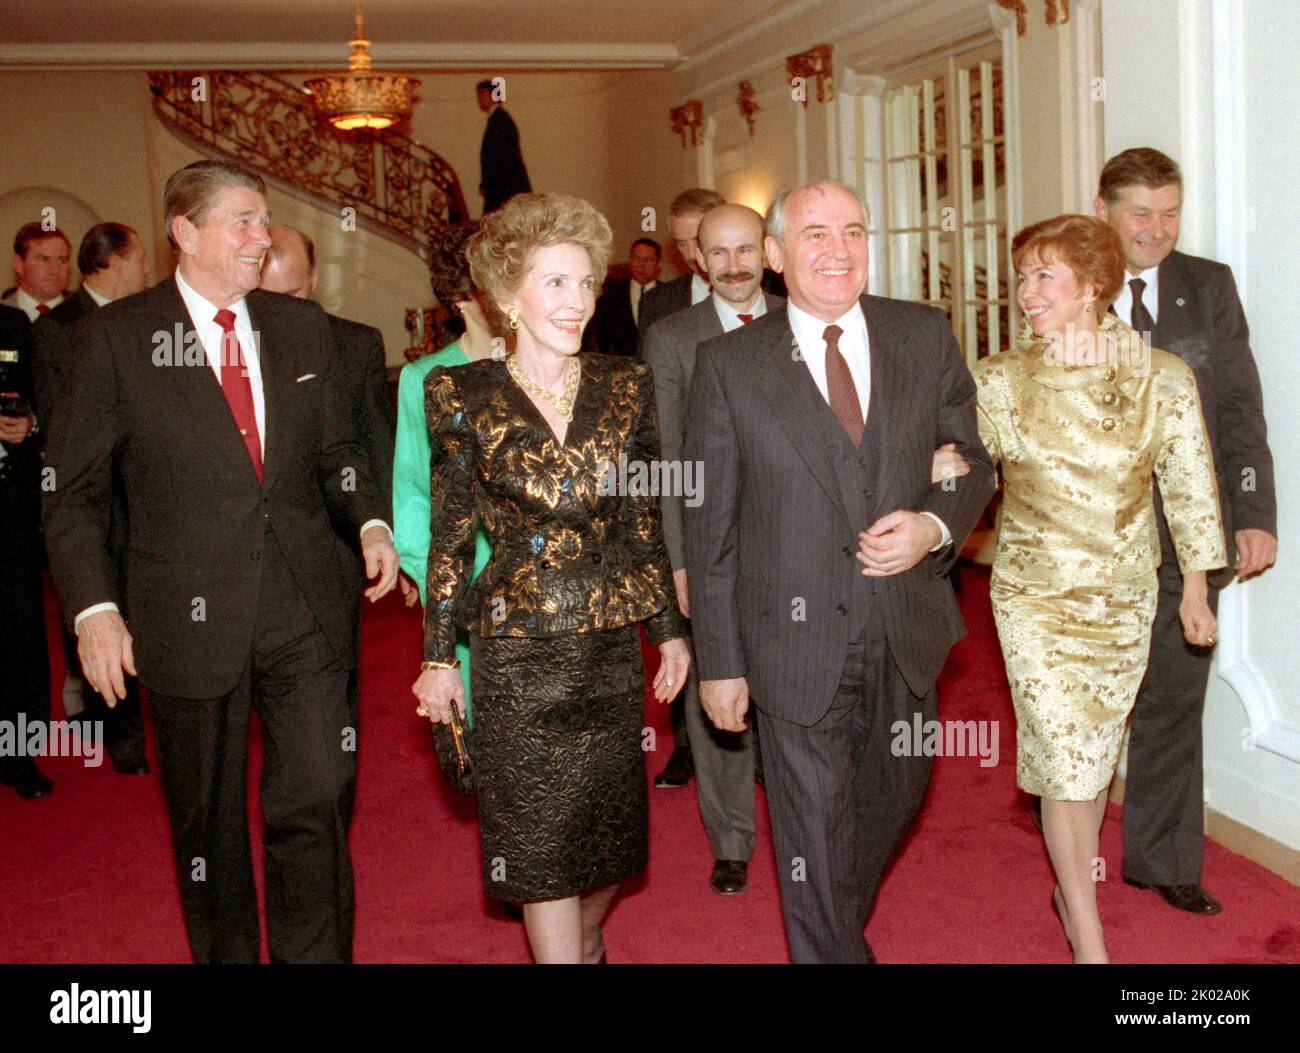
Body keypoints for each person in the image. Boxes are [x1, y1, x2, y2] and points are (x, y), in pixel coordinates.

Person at [41, 160, 399, 964]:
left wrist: (370, 519)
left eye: (262, 221)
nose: (260, 236)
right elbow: (72, 493)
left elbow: (340, 451)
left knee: (317, 794)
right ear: (184, 231)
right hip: (185, 614)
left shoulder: (301, 328)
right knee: (207, 822)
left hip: (305, 604)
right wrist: (94, 610)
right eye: (241, 220)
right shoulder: (114, 338)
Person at [685, 179, 995, 963]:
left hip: (905, 628)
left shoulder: (922, 334)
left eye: (853, 230)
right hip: (787, 642)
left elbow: (974, 462)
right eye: (816, 233)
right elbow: (709, 525)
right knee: (813, 824)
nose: (838, 249)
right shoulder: (726, 365)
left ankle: (831, 922)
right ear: (778, 255)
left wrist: (931, 523)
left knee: (895, 794)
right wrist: (719, 661)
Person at [411, 192, 690, 964]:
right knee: (535, 852)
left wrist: (667, 629)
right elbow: (450, 534)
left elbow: (641, 520)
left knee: (608, 850)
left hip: (606, 653)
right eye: (555, 283)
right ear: (507, 298)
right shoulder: (458, 394)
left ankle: (586, 939)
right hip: (515, 654)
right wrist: (439, 655)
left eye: (583, 282)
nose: (576, 301)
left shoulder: (626, 385)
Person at [974, 214, 1225, 963]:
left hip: (1123, 596)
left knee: (1092, 758)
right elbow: (958, 479)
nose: (1025, 292)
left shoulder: (1162, 376)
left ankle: (1069, 885)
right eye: (1021, 276)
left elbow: (1190, 488)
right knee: (1060, 753)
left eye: (1043, 275)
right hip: (1033, 595)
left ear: (1092, 288)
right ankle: (1086, 927)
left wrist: (1197, 590)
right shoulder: (1000, 379)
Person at [1094, 148, 1277, 917]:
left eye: (1169, 211)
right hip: (1092, 539)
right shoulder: (1069, 284)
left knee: (1173, 699)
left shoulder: (1209, 286)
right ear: (1105, 210)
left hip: (1188, 537)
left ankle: (1161, 859)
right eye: (1140, 212)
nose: (1156, 228)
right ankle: (1072, 855)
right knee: (1091, 702)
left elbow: (1238, 404)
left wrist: (1255, 510)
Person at [641, 204, 781, 894]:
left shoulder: (800, 318)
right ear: (697, 258)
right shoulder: (672, 339)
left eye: (745, 250)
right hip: (712, 546)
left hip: (794, 546)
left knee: (791, 691)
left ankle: (798, 823)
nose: (732, 266)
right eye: (716, 252)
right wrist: (679, 561)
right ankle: (730, 839)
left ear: (769, 251)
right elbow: (665, 461)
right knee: (716, 690)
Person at [260, 223, 395, 827]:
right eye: (270, 296)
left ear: (315, 279)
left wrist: (385, 528)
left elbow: (374, 446)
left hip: (334, 544)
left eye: (295, 297)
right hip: (248, 550)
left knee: (331, 688)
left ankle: (331, 801)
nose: (283, 311)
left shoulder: (354, 343)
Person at [30, 222, 151, 775]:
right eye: (142, 258)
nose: (148, 270)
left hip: (147, 495)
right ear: (115, 262)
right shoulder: (61, 329)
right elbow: (62, 423)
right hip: (96, 501)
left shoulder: (146, 321)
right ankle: (120, 734)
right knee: (103, 605)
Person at [393, 222, 494, 717]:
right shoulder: (424, 379)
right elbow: (412, 495)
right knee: (487, 745)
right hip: (467, 586)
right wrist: (441, 588)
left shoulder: (546, 366)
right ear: (460, 295)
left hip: (548, 588)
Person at [0, 303, 52, 799]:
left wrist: (29, 423)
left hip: (11, 511)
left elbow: (43, 400)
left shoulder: (13, 325)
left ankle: (18, 755)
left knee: (20, 639)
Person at [636, 188, 724, 336]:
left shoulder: (768, 290)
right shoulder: (657, 302)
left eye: (697, 240)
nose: (691, 255)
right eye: (682, 243)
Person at [586, 238, 661, 356]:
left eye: (648, 260)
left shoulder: (669, 294)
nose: (641, 265)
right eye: (636, 259)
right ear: (630, 261)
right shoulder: (610, 295)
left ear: (658, 264)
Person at [476, 79, 531, 215]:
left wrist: (486, 183)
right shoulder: (499, 119)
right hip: (504, 186)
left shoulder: (499, 120)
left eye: (482, 93)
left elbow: (496, 155)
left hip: (504, 188)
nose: (479, 98)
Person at [4, 224, 71, 320]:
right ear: (18, 264)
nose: (55, 270)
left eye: (62, 261)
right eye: (43, 259)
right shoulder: (3, 316)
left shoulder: (87, 319)